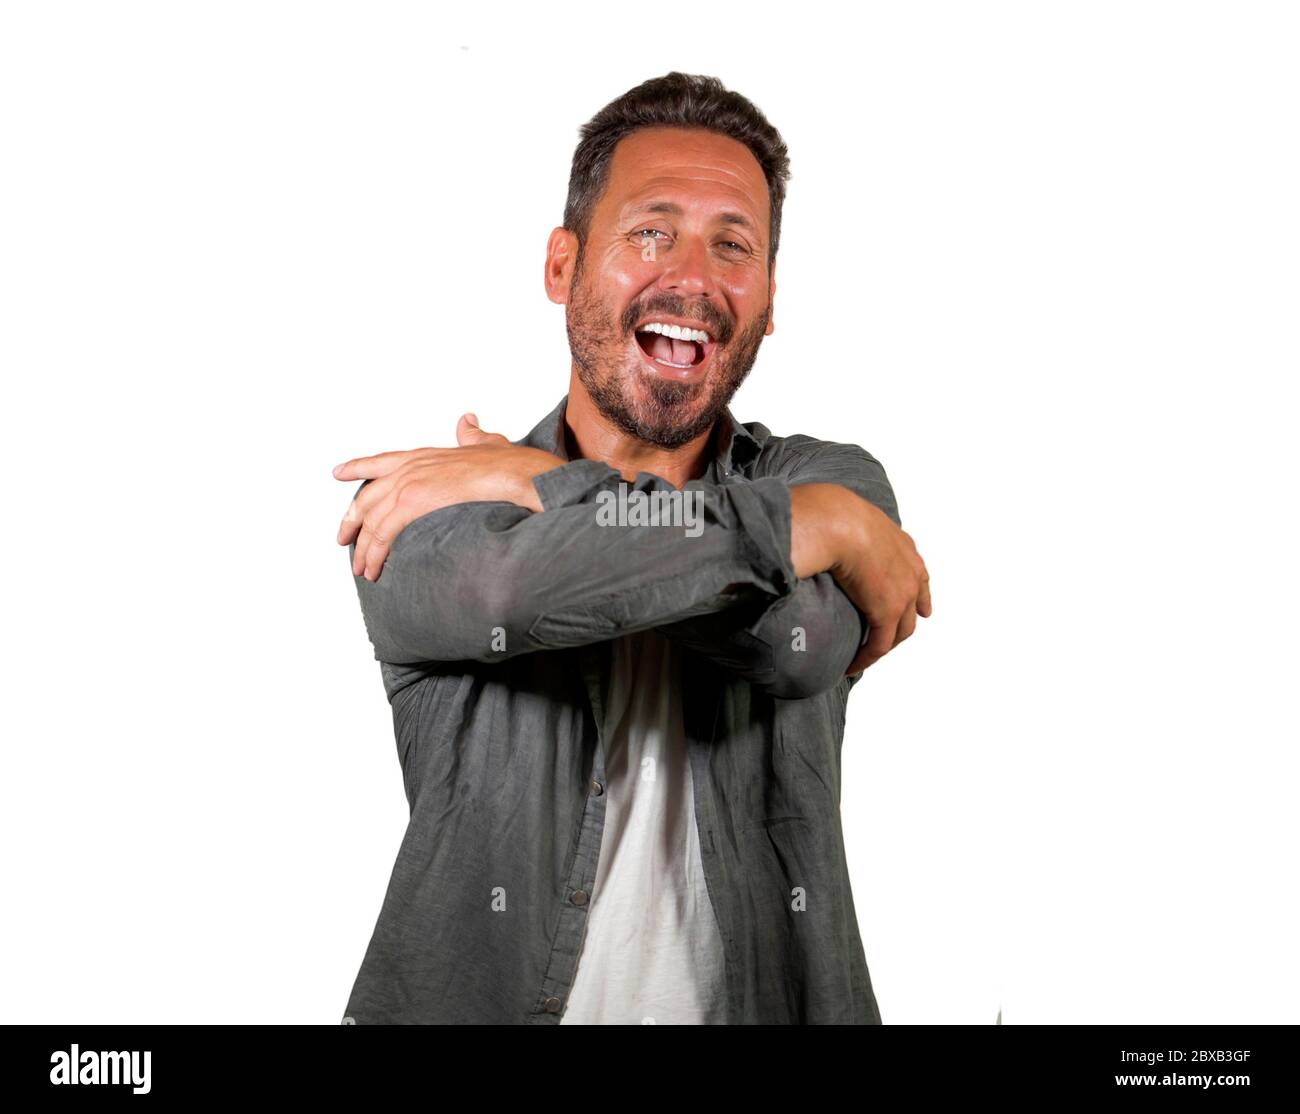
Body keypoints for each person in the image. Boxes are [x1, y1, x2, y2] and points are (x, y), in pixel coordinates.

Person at [332, 72, 931, 1024]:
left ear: (770, 297)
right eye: (650, 232)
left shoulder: (834, 479)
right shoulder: (431, 502)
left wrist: (534, 484)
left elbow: (788, 645)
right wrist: (814, 533)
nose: (690, 277)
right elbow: (505, 596)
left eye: (732, 245)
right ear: (562, 266)